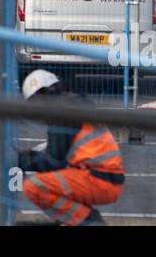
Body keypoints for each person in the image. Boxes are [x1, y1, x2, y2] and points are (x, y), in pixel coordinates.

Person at [17, 69, 125, 226]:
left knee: (33, 186)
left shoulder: (61, 113)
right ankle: (81, 219)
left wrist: (22, 160)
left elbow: (54, 162)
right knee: (53, 181)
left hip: (99, 180)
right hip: (104, 179)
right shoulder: (71, 105)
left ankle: (88, 221)